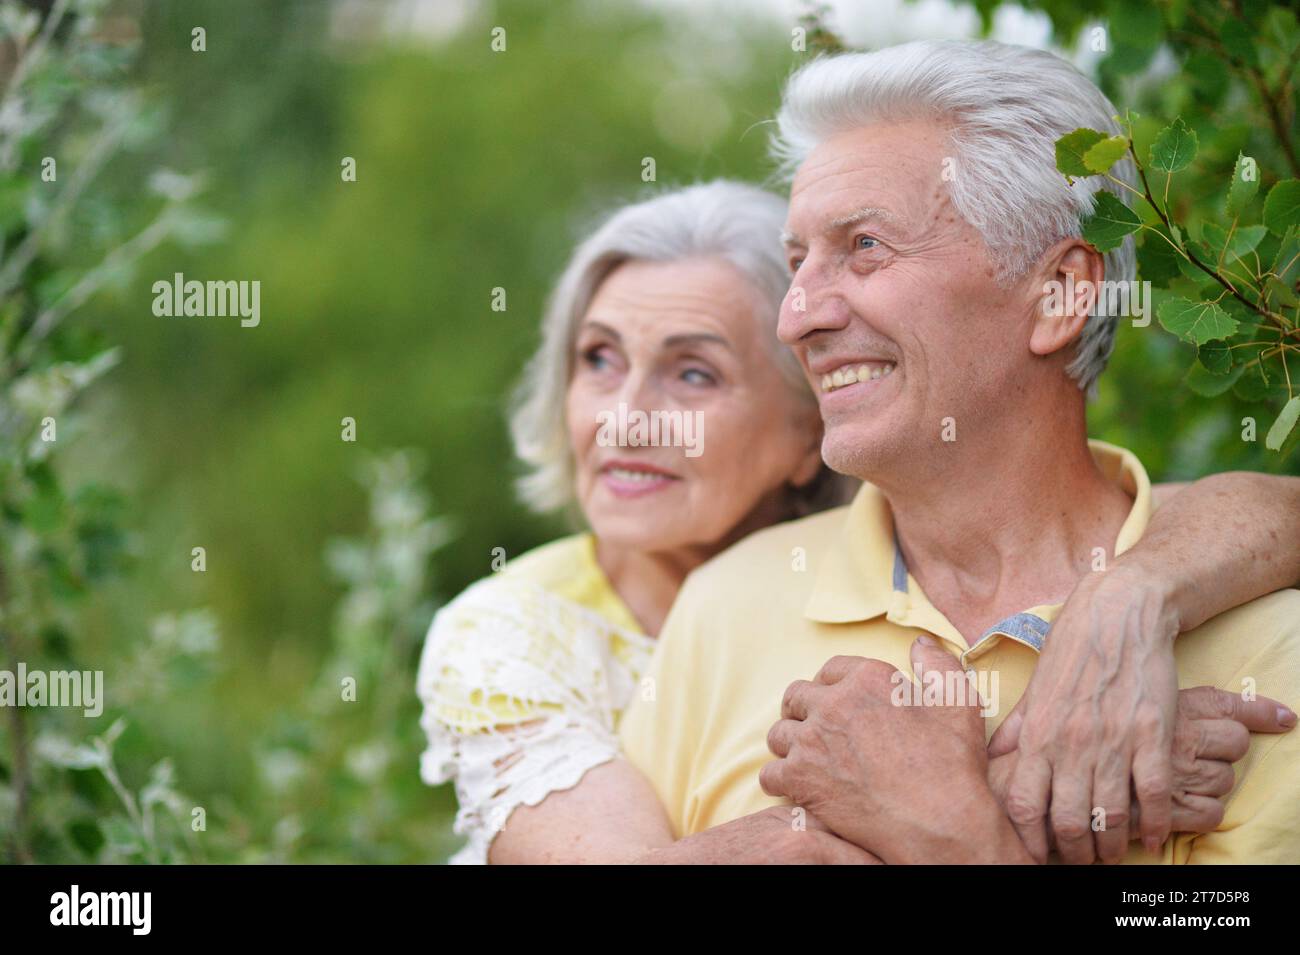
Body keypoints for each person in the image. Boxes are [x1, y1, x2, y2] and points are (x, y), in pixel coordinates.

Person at [417, 174, 1299, 864]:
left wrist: (1129, 596)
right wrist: (1019, 781)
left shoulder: (910, 548)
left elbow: (1257, 512)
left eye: (693, 374)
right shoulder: (508, 635)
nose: (626, 417)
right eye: (598, 359)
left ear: (814, 424)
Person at [618, 40, 1300, 864]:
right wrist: (1002, 803)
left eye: (864, 246)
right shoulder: (722, 607)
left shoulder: (1275, 658)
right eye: (797, 263)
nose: (795, 317)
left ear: (1061, 294)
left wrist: (949, 832)